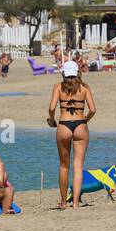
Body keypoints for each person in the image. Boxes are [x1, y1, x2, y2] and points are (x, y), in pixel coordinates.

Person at [47, 60, 96, 210]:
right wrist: (84, 120)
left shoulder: (58, 87)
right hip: (80, 124)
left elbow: (52, 107)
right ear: (77, 72)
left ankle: (63, 202)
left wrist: (51, 120)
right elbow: (93, 109)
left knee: (63, 166)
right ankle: (75, 203)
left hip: (64, 125)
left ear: (63, 73)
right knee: (78, 166)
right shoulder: (85, 88)